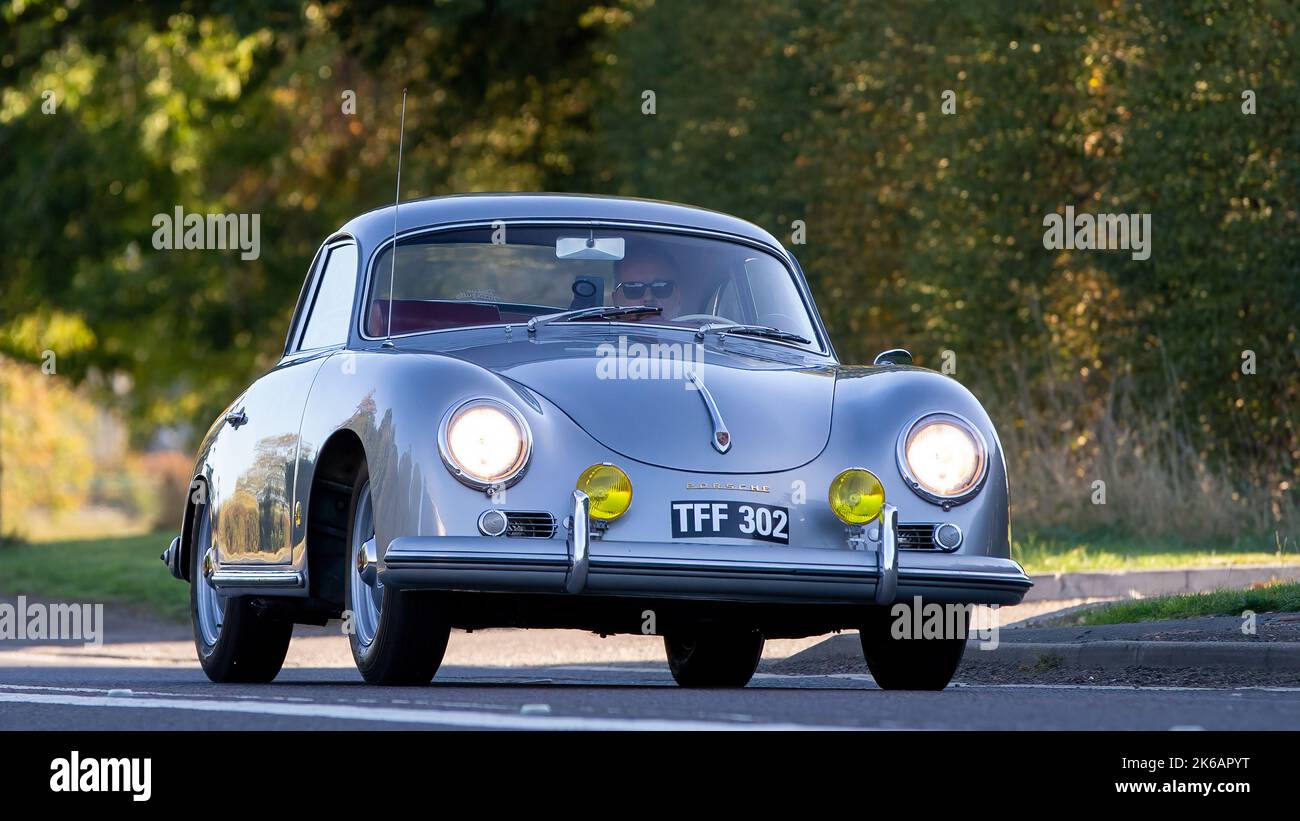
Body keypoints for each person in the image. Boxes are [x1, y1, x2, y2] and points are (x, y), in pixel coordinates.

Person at [612, 245, 683, 320]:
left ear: (678, 297)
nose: (648, 297)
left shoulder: (695, 329)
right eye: (634, 289)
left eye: (660, 288)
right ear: (616, 300)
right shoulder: (601, 330)